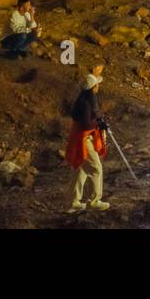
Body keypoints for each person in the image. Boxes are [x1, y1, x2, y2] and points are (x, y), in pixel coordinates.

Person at [66, 66, 110, 212]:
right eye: (97, 84)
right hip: (83, 140)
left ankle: (73, 203)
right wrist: (99, 123)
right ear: (93, 87)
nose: (98, 86)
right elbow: (86, 125)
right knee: (96, 168)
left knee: (80, 169)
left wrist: (98, 119)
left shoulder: (84, 99)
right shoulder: (86, 103)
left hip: (79, 138)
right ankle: (95, 200)